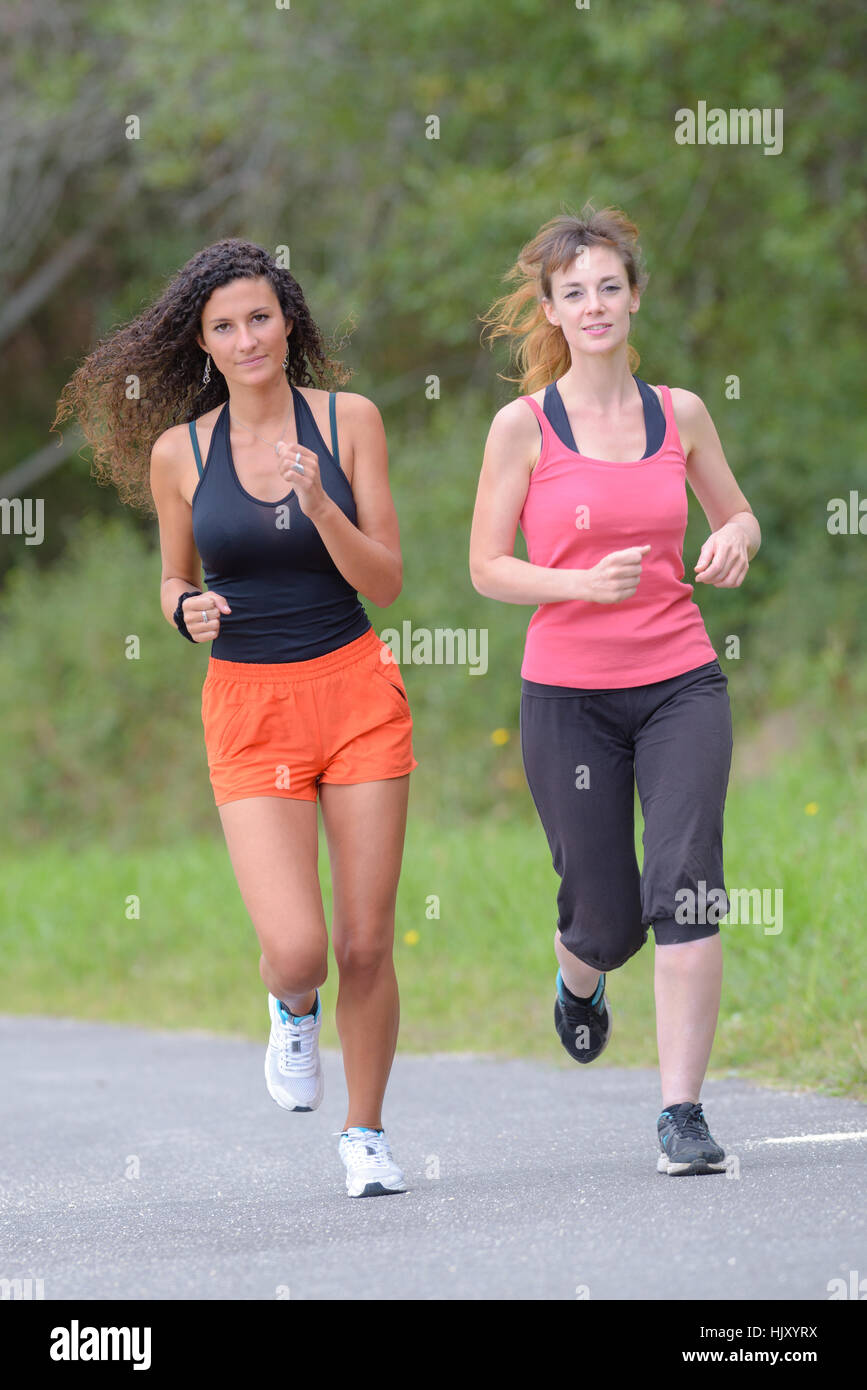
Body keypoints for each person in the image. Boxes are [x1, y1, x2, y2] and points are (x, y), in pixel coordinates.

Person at [53, 238, 417, 1197]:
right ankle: (290, 1009)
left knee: (366, 942)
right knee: (299, 950)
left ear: (287, 321)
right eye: (225, 326)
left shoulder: (350, 423)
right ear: (202, 344)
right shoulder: (183, 452)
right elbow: (173, 577)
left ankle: (366, 1134)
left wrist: (320, 509)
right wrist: (184, 610)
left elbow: (387, 577)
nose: (246, 337)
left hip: (354, 689)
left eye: (260, 317)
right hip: (249, 704)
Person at [470, 205, 760, 1175]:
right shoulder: (522, 428)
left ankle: (682, 1112)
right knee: (605, 916)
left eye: (609, 286)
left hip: (680, 679)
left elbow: (739, 513)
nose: (594, 305)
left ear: (633, 296)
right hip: (569, 697)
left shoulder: (679, 413)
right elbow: (484, 566)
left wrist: (734, 540)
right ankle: (579, 973)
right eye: (573, 291)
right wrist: (573, 584)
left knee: (688, 885)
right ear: (550, 310)